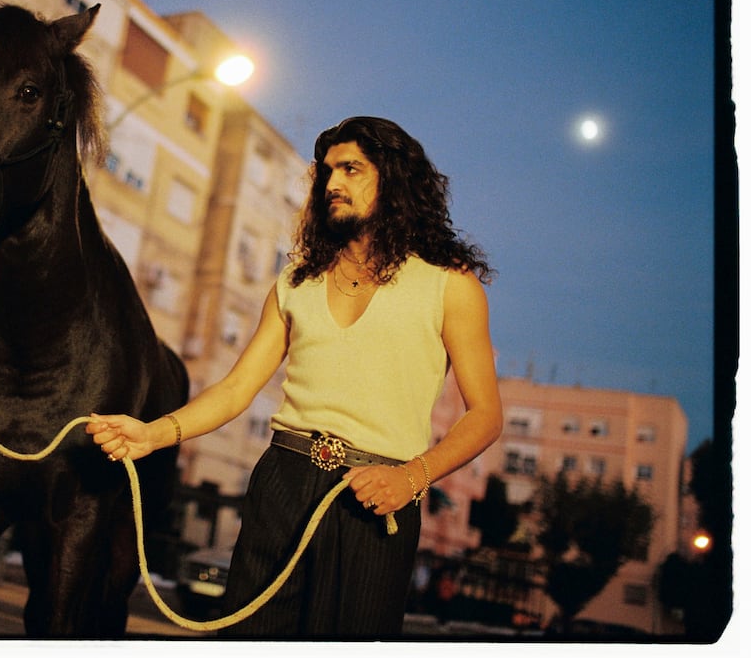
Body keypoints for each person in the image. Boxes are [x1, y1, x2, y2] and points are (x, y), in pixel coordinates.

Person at [88, 116, 502, 637]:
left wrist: (412, 479)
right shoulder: (295, 281)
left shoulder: (450, 285)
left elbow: (485, 415)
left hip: (378, 496)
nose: (333, 184)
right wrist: (153, 433)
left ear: (394, 178)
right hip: (282, 481)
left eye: (351, 169)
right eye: (327, 172)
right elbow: (238, 388)